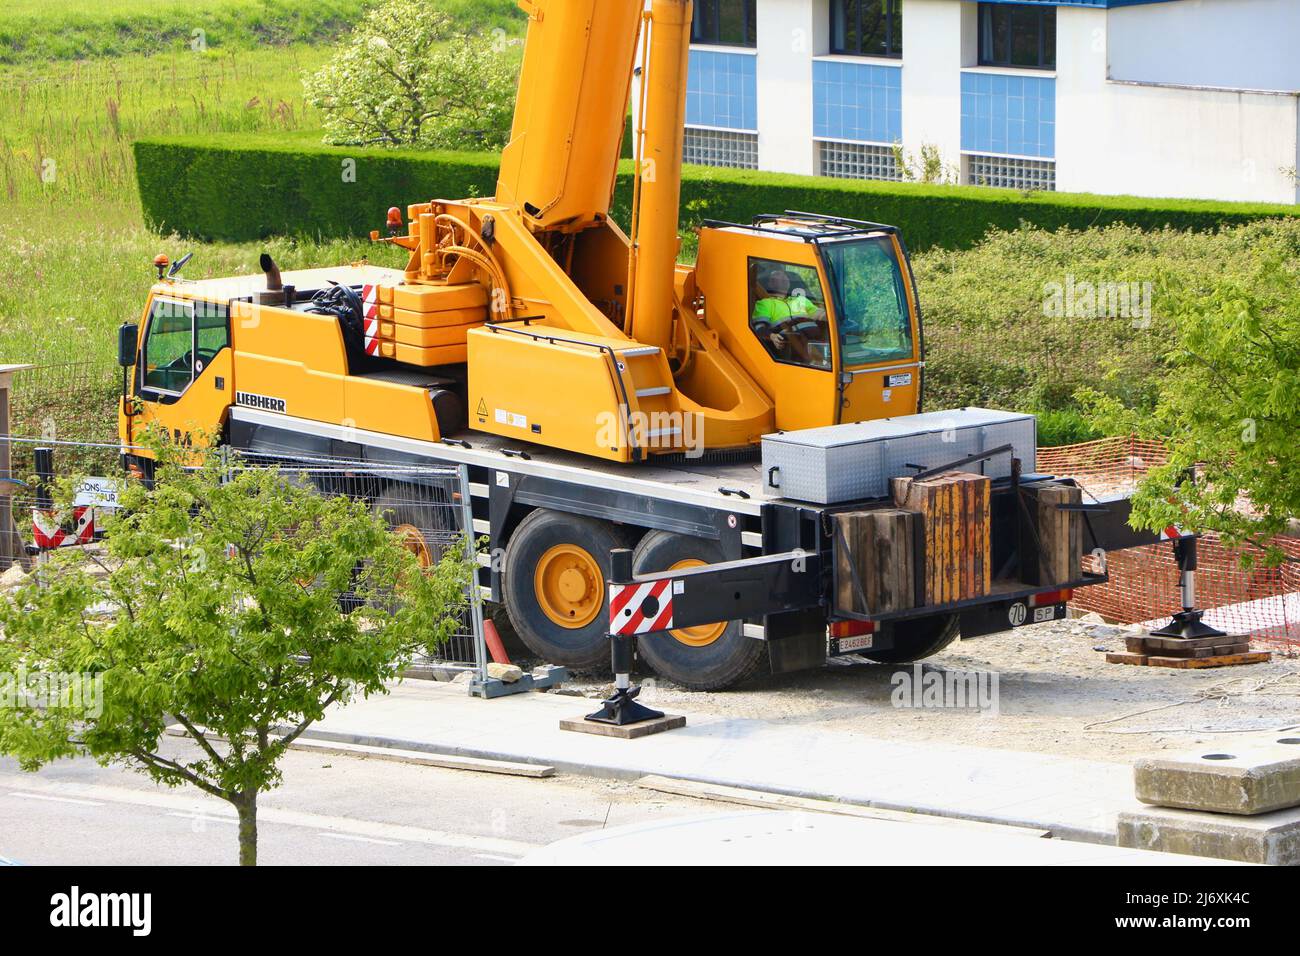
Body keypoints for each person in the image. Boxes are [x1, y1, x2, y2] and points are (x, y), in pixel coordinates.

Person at [752, 268, 828, 366]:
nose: (784, 277)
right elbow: (759, 328)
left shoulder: (800, 300)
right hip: (792, 351)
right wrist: (772, 336)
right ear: (770, 283)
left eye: (786, 276)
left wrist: (831, 317)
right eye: (778, 275)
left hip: (817, 344)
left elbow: (818, 314)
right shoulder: (765, 303)